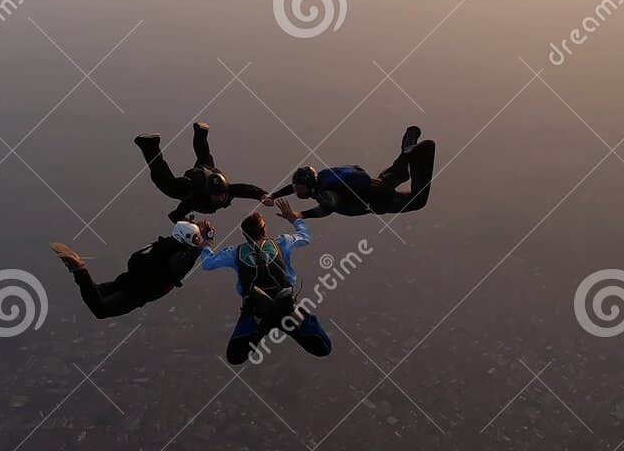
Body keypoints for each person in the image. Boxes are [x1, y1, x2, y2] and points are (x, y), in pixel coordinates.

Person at [200, 200, 332, 365]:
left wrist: (207, 243)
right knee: (323, 347)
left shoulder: (235, 253)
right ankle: (291, 313)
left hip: (255, 308)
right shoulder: (283, 242)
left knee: (235, 356)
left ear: (244, 235)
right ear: (264, 230)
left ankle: (258, 319)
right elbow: (305, 237)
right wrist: (294, 219)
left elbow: (208, 263)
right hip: (285, 304)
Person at [50, 219, 212, 320]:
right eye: (195, 238)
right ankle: (79, 269)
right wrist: (204, 243)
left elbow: (186, 236)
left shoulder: (167, 243)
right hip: (139, 291)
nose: (197, 240)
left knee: (97, 291)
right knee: (101, 310)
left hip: (129, 279)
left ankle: (78, 269)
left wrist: (195, 231)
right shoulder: (180, 257)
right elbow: (186, 262)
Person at [266, 126, 435, 219]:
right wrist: (273, 195)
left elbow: (326, 208)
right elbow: (294, 186)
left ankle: (421, 154)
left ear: (309, 185)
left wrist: (301, 215)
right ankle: (408, 150)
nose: (297, 192)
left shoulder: (325, 193)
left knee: (418, 201)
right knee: (400, 173)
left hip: (378, 199)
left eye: (299, 189)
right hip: (374, 184)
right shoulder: (322, 177)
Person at [135, 122, 269, 223]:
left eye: (222, 195)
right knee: (169, 186)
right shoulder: (196, 197)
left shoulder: (227, 190)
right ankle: (149, 145)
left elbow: (245, 189)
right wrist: (262, 195)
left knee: (204, 157)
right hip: (193, 182)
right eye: (218, 196)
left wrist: (262, 195)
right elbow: (178, 212)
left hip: (209, 172)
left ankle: (201, 131)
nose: (221, 198)